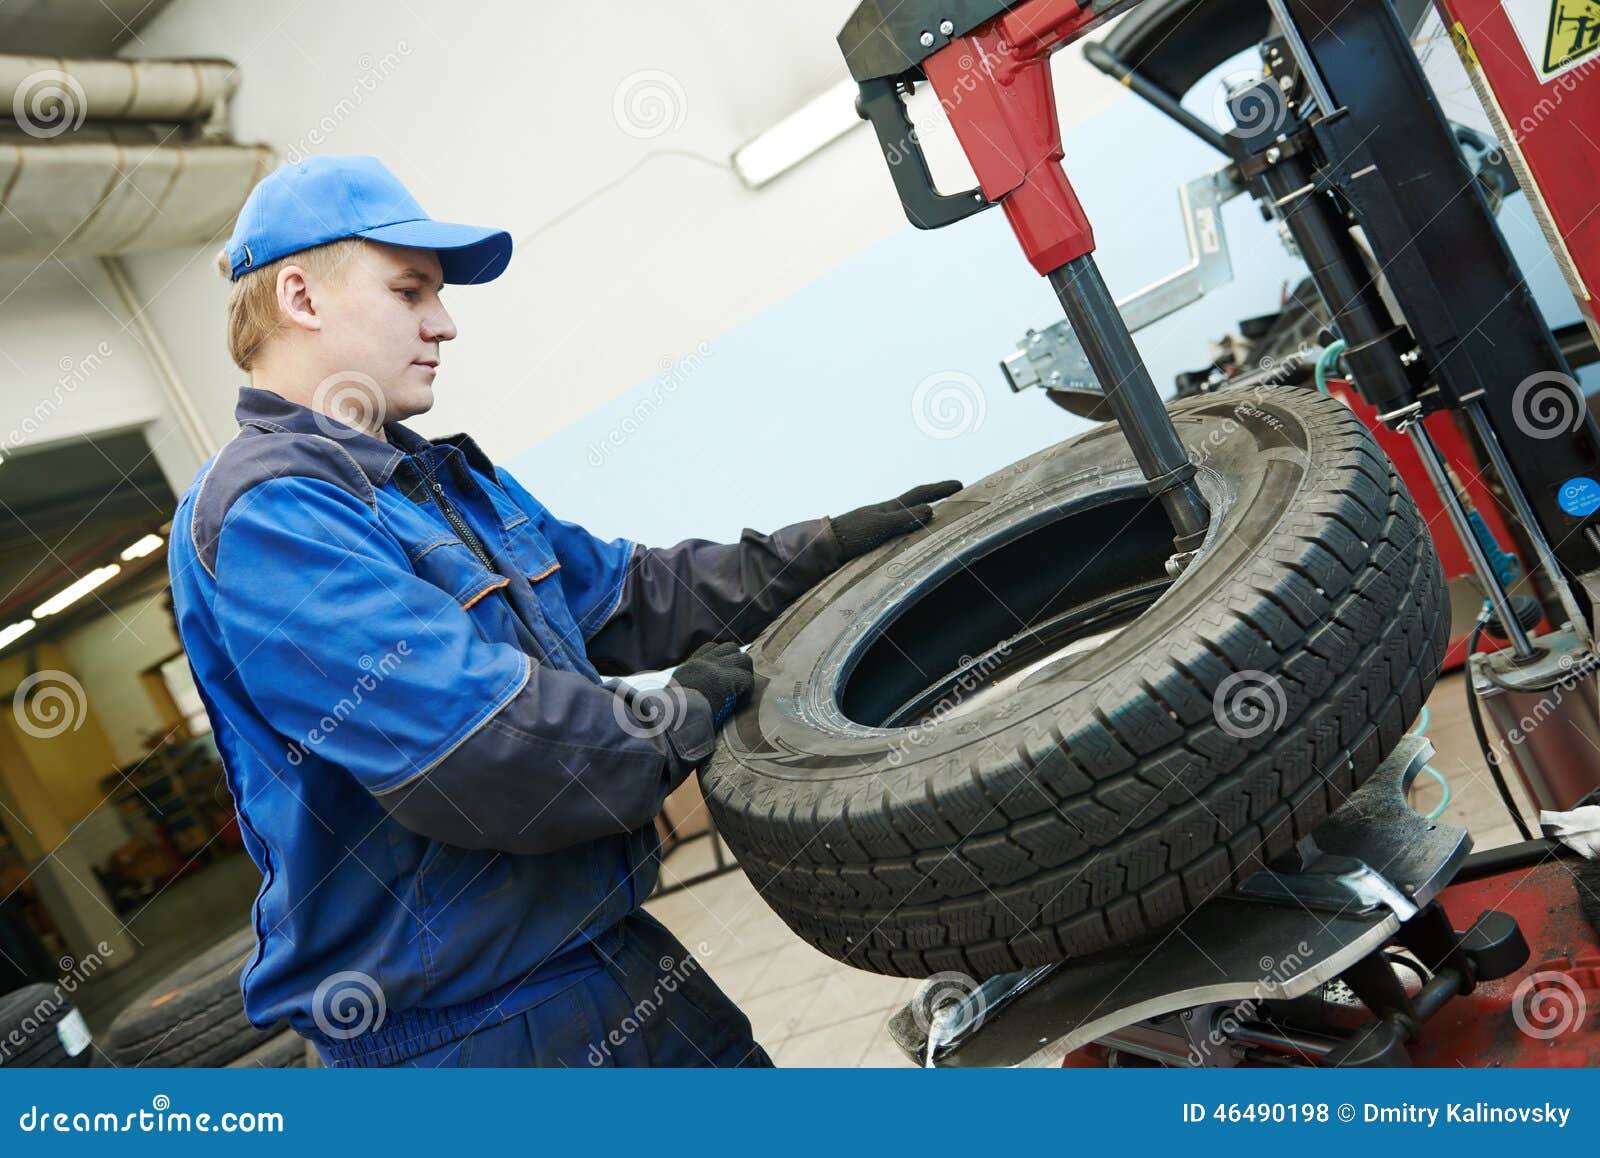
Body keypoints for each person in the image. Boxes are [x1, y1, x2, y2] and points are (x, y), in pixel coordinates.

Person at [167, 155, 959, 1067]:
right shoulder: (272, 512)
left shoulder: (437, 482)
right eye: (410, 290)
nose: (445, 322)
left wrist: (813, 551)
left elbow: (622, 598)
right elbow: (479, 747)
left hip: (598, 955)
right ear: (301, 298)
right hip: (466, 1035)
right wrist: (677, 718)